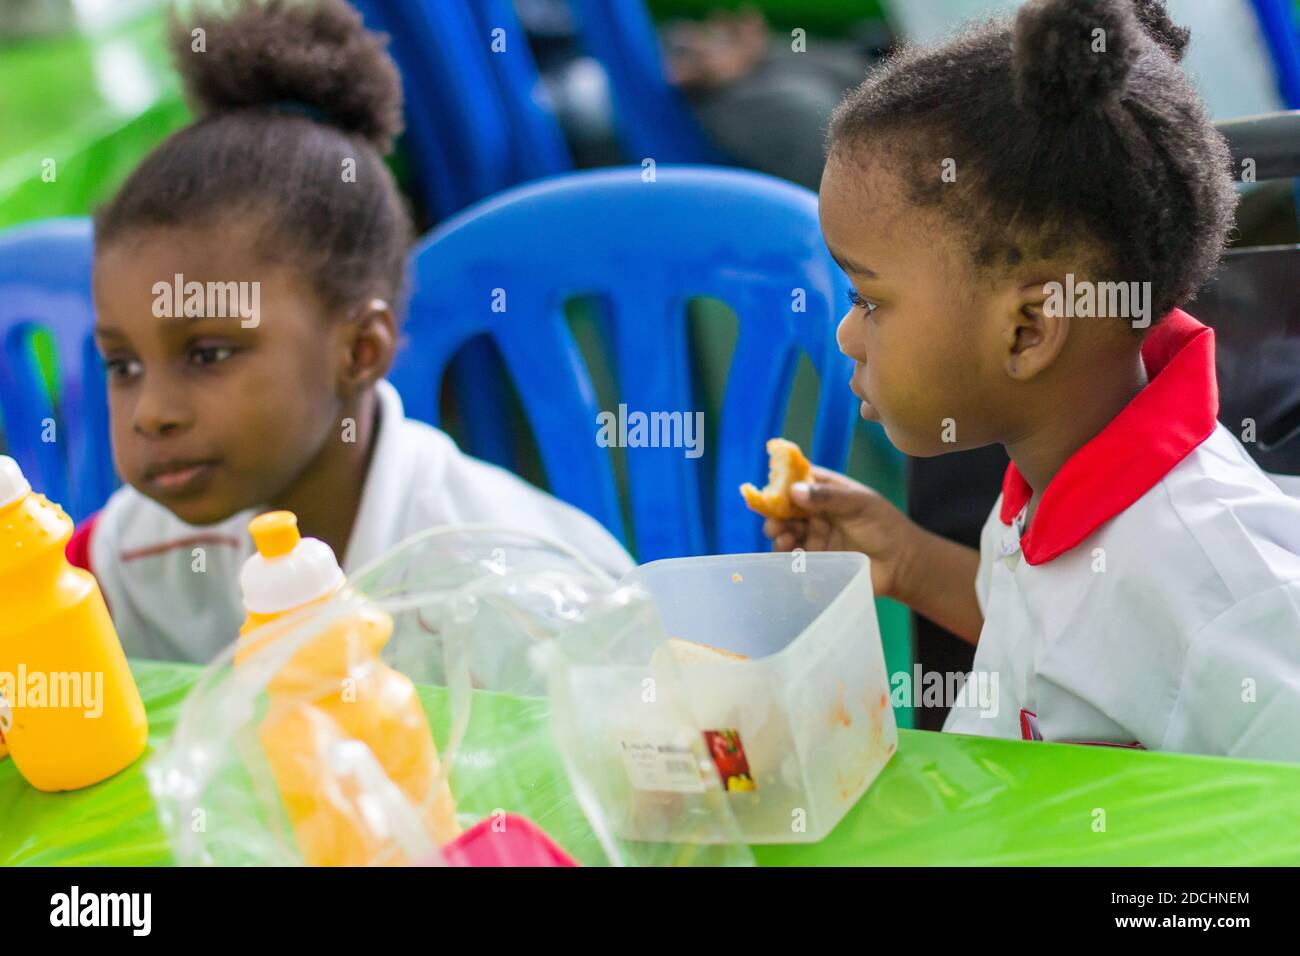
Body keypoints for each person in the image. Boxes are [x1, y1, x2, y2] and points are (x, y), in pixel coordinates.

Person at [766, 0, 1300, 760]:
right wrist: (908, 561)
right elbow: (1065, 646)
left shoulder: (1218, 592)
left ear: (1029, 330)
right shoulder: (1050, 477)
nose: (848, 335)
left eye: (868, 300)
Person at [76, 0, 633, 663]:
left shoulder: (514, 596)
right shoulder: (146, 546)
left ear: (359, 350)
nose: (152, 414)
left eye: (207, 354)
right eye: (123, 365)